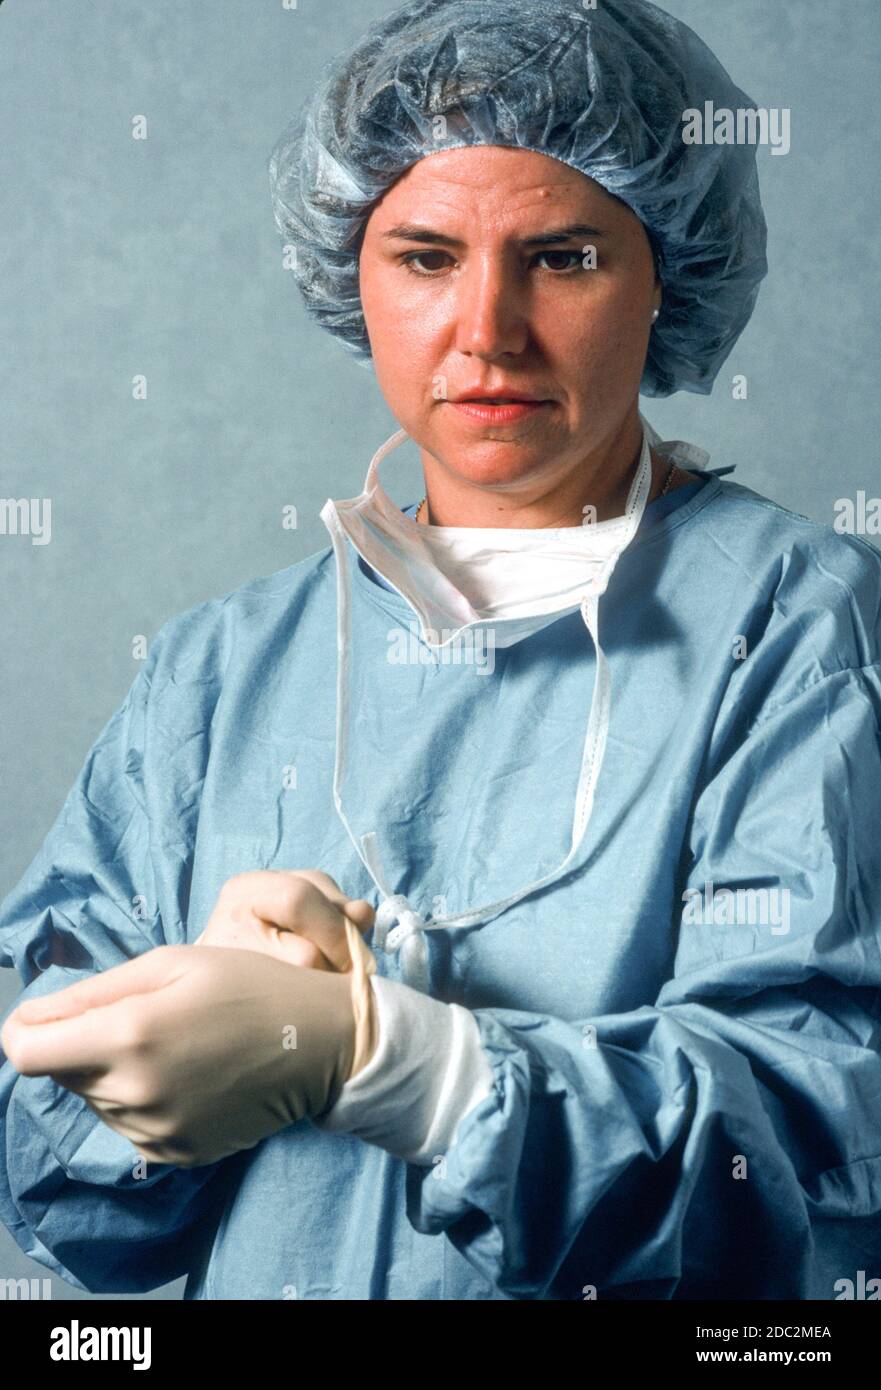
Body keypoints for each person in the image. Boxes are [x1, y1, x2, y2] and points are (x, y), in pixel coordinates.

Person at [1, 0, 880, 1301]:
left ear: (665, 275)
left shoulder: (804, 625)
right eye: (423, 255)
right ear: (351, 273)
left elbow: (812, 1174)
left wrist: (394, 1062)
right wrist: (163, 1037)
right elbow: (58, 1195)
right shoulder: (215, 670)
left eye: (563, 256)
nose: (486, 330)